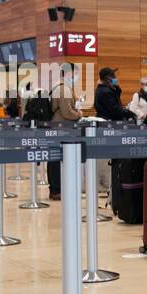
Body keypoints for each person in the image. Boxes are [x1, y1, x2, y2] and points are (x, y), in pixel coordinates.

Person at [47, 66, 81, 200]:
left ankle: (56, 189)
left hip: (57, 128)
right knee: (55, 160)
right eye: (75, 73)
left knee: (55, 159)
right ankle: (56, 190)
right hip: (61, 128)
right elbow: (67, 112)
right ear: (68, 73)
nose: (76, 76)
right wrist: (78, 114)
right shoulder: (63, 89)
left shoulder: (59, 86)